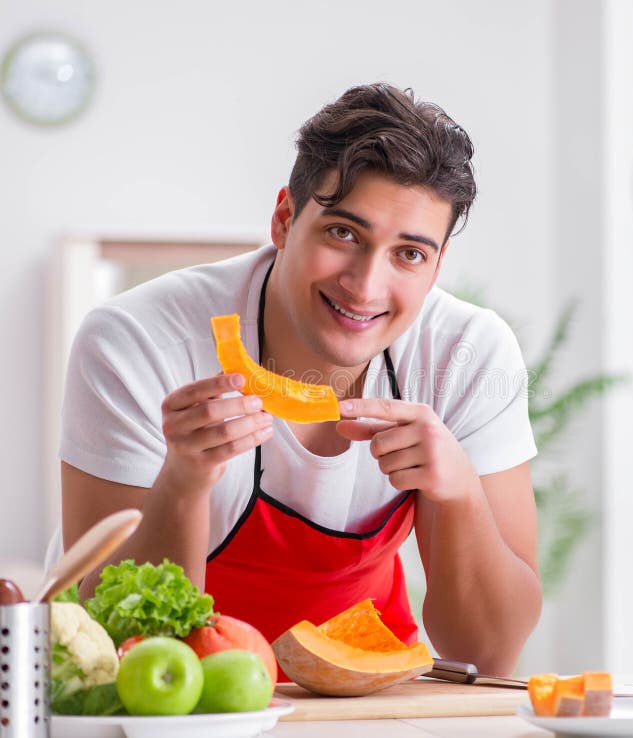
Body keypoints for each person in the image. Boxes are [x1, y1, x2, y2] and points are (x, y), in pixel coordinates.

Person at [52, 82, 542, 676]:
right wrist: (183, 484)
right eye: (343, 233)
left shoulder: (466, 355)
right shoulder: (137, 343)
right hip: (185, 700)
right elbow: (114, 638)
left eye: (409, 253)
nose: (365, 286)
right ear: (284, 218)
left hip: (370, 695)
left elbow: (488, 655)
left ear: (437, 265)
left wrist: (459, 493)